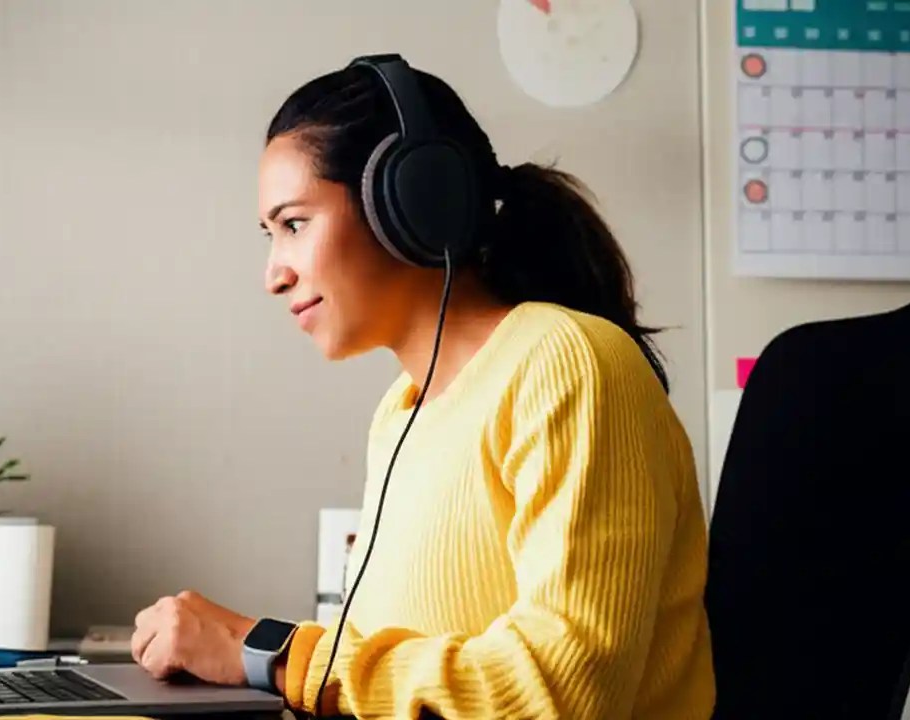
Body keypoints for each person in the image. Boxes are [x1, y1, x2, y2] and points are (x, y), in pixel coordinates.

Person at [130, 55, 715, 720]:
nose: (274, 274)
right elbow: (395, 671)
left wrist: (265, 652)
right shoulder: (400, 412)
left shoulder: (567, 361)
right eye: (270, 236)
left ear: (412, 201)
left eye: (293, 224)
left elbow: (560, 690)